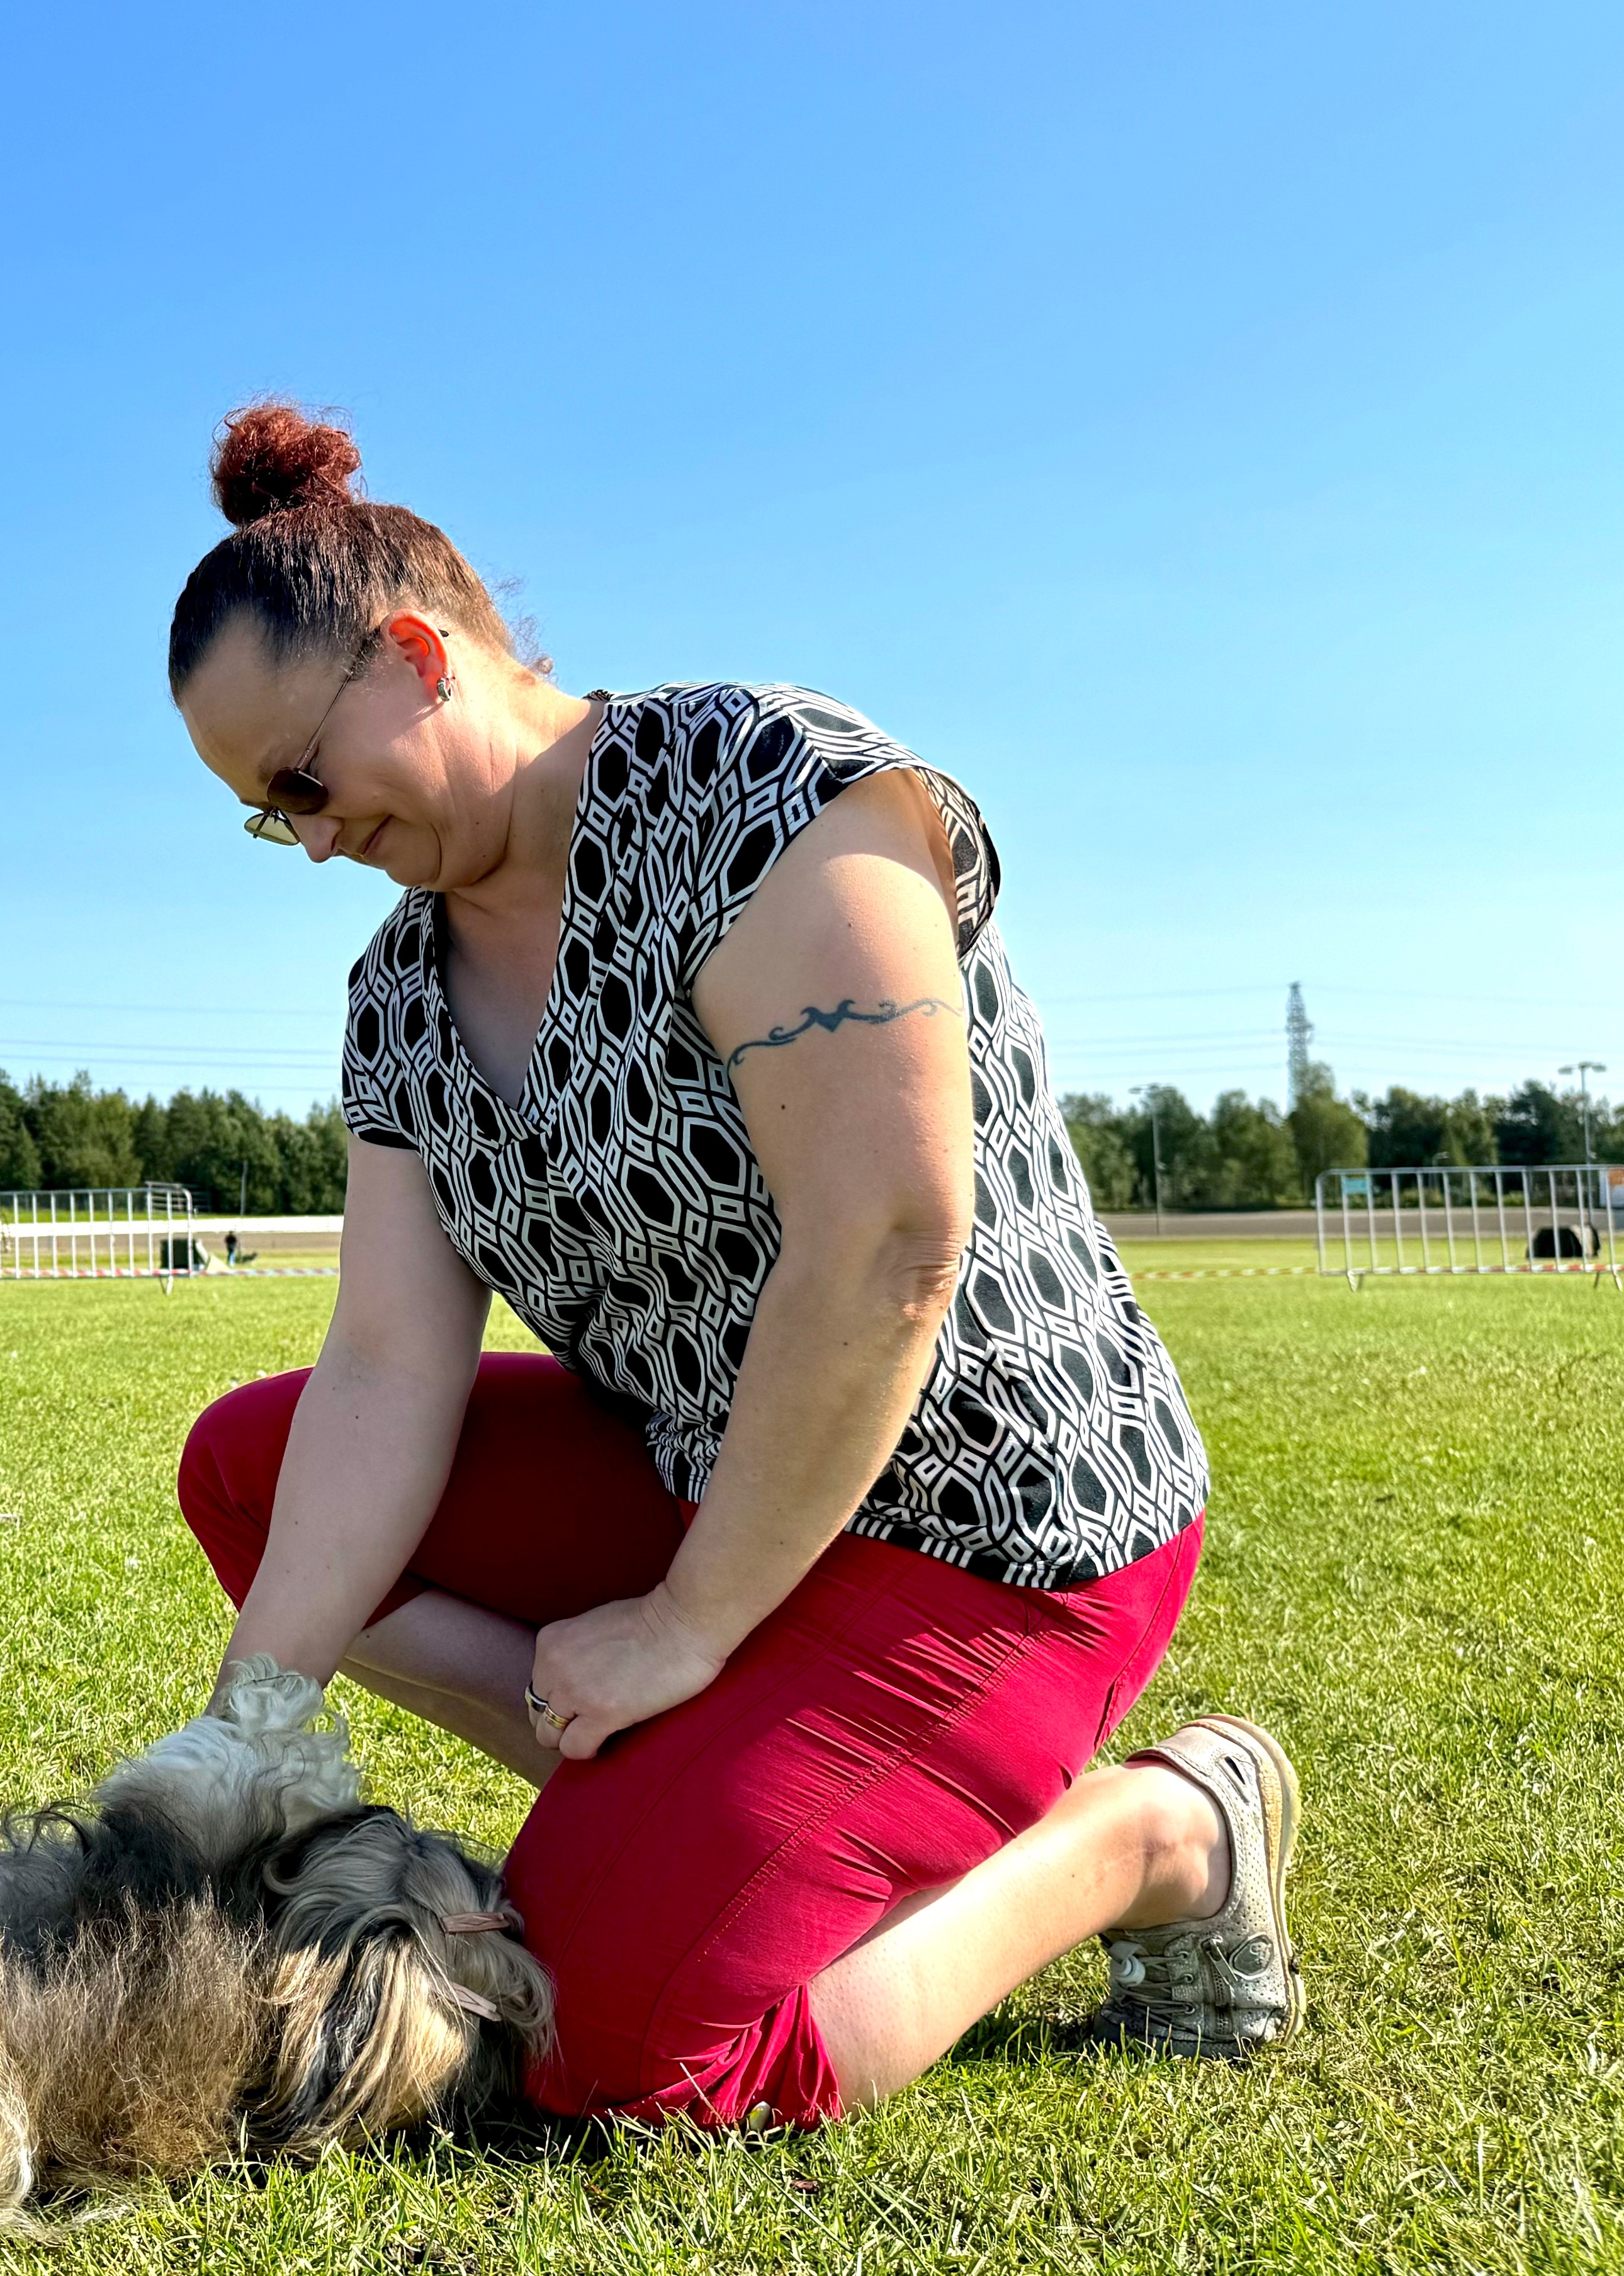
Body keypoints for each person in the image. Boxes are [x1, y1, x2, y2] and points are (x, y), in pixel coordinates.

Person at [164, 407, 1292, 2129]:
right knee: (250, 1468)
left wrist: (684, 1624)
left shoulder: (753, 786)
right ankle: (697, 1799)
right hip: (720, 1486)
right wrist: (246, 1724)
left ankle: (1157, 1829)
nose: (309, 841)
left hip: (988, 1520)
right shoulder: (393, 992)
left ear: (414, 654)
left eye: (303, 780)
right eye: (266, 820)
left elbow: (887, 1243)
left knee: (608, 2042)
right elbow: (386, 1364)